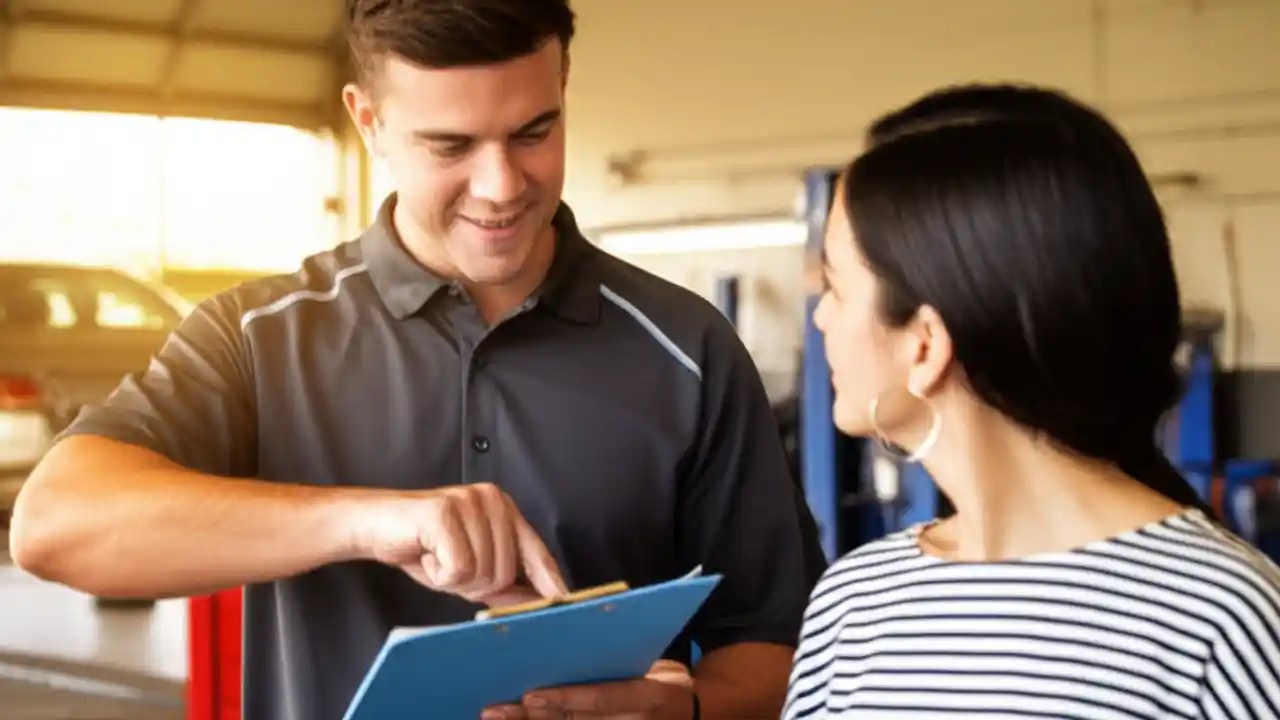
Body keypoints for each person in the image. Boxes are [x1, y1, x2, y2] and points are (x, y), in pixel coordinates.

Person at [9, 1, 827, 718]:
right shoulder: (260, 338)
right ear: (367, 121)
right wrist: (367, 519)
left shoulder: (686, 348)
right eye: (451, 145)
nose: (501, 185)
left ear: (565, 82)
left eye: (533, 132)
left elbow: (777, 646)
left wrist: (684, 712)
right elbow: (54, 526)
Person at [784, 84, 1280, 719]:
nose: (822, 317)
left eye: (834, 286)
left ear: (927, 345)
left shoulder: (1222, 616)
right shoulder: (854, 602)